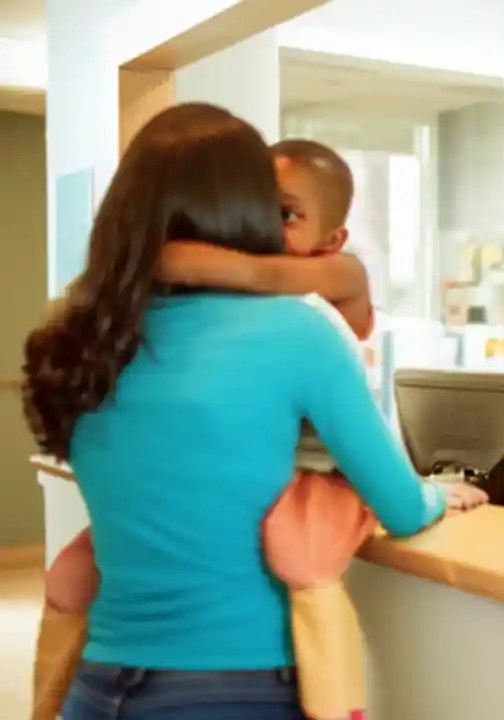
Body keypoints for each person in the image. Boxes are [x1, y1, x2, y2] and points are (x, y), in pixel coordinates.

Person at [21, 103, 453, 720]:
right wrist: (441, 493)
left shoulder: (87, 339)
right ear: (247, 207)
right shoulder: (297, 333)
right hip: (233, 689)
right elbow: (403, 508)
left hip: (96, 689)